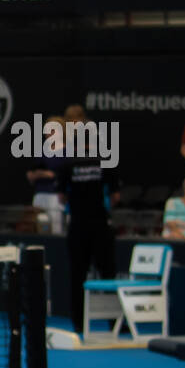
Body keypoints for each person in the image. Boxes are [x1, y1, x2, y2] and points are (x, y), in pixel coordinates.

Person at [58, 111, 119, 335]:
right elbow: (115, 196)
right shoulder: (105, 159)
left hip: (83, 227)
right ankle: (114, 323)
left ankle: (80, 323)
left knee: (79, 276)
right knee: (106, 274)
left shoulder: (68, 164)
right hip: (98, 226)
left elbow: (61, 197)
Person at [27, 114, 68, 234]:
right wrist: (35, 175)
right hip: (40, 195)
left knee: (56, 230)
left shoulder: (67, 151)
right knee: (39, 229)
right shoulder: (42, 152)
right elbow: (32, 173)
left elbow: (61, 174)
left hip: (55, 196)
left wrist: (45, 174)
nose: (48, 133)